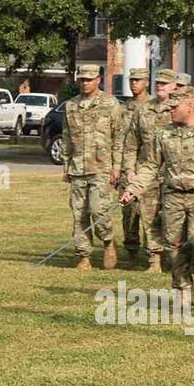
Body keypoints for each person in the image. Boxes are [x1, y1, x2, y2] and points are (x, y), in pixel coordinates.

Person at [121, 84, 194, 306]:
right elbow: (150, 166)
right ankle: (181, 287)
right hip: (173, 197)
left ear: (190, 105)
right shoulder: (164, 134)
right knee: (173, 246)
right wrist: (133, 189)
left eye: (174, 106)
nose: (170, 110)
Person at [61, 64, 123, 270]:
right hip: (78, 167)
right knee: (78, 215)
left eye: (89, 79)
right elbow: (67, 137)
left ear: (99, 80)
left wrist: (117, 167)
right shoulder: (71, 106)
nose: (85, 83)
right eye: (82, 79)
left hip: (102, 167)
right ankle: (84, 256)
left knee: (98, 210)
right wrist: (65, 165)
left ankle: (107, 242)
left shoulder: (111, 104)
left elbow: (118, 137)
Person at [121, 68, 178, 272]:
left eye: (165, 83)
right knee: (149, 215)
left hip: (174, 173)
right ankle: (154, 259)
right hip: (148, 172)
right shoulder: (144, 109)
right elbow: (131, 143)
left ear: (174, 85)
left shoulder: (179, 108)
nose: (160, 86)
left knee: (173, 217)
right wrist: (129, 168)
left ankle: (174, 257)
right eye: (158, 83)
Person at [120, 67, 150, 264]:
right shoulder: (123, 108)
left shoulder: (153, 107)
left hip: (149, 166)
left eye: (138, 80)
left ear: (147, 82)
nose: (134, 84)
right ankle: (131, 249)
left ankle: (153, 252)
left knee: (151, 212)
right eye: (132, 80)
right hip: (128, 165)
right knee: (129, 213)